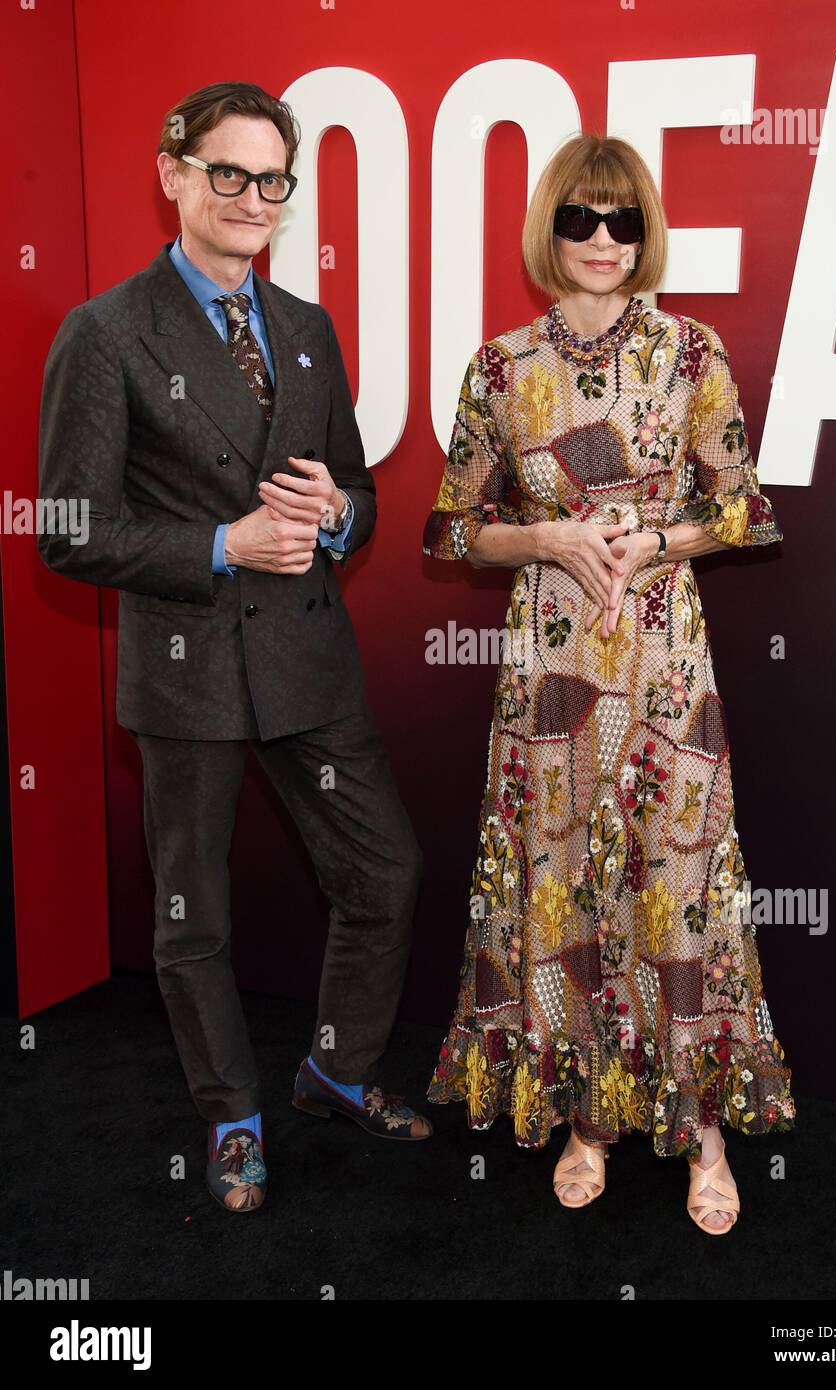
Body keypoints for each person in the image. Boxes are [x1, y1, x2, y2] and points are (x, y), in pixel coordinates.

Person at [37, 81, 429, 1214]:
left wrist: (338, 512)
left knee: (385, 870)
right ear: (172, 173)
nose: (253, 198)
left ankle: (334, 1071)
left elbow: (353, 488)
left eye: (272, 180)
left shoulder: (304, 329)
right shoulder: (104, 333)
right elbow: (66, 530)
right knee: (189, 914)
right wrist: (223, 542)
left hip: (308, 662)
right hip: (187, 670)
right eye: (228, 173)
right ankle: (232, 1119)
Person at [422, 133, 796, 1233]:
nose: (599, 240)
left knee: (674, 879)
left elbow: (746, 509)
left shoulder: (691, 352)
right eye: (580, 219)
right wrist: (538, 530)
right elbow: (451, 528)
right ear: (551, 227)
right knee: (564, 872)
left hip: (663, 662)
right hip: (548, 658)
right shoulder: (500, 365)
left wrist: (661, 543)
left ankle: (698, 1121)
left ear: (644, 232)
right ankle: (589, 1108)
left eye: (621, 220)